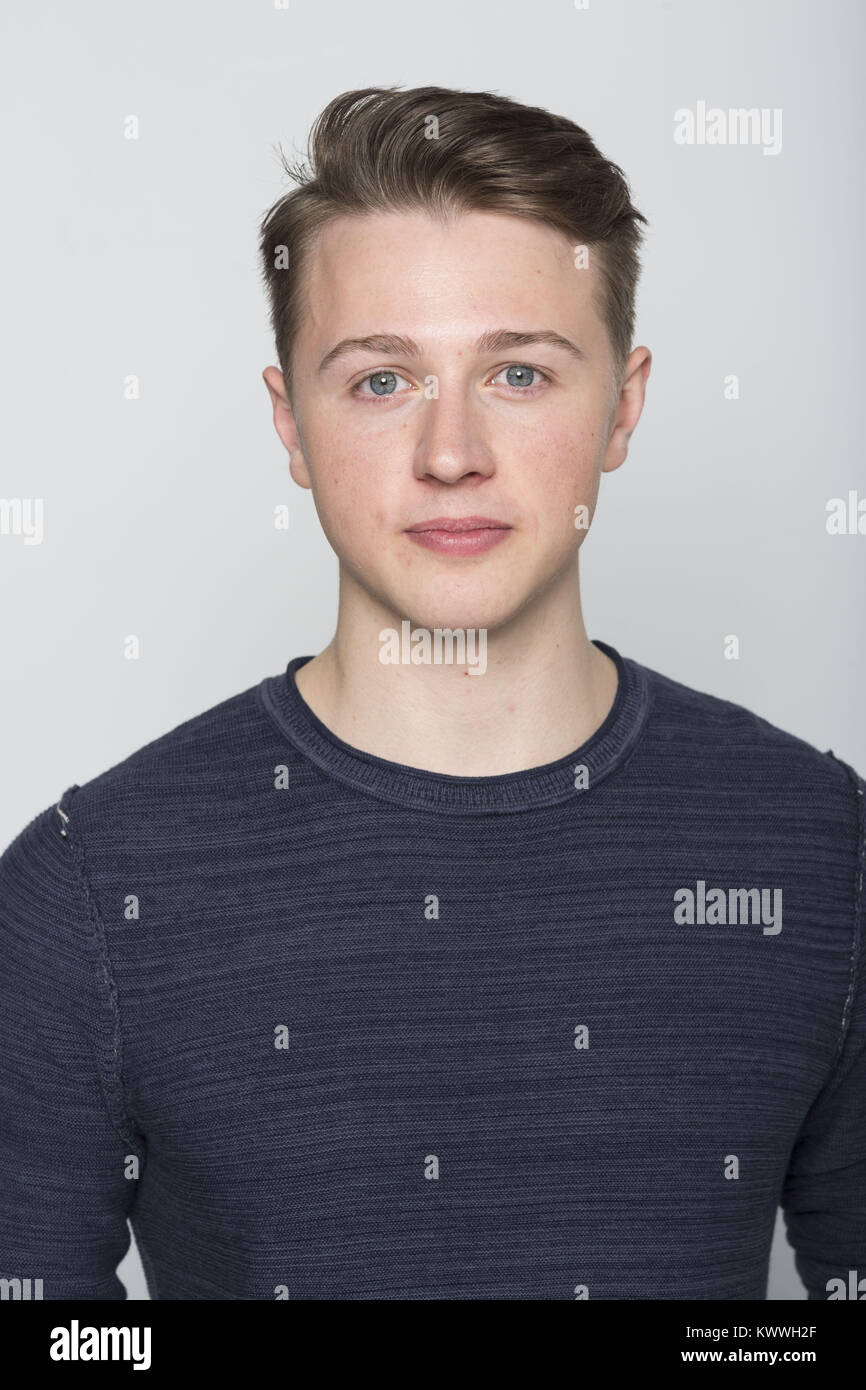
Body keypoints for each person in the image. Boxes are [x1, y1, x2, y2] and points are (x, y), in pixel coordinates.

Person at [1, 85, 862, 1302]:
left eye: (517, 372)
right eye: (377, 381)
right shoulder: (84, 892)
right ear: (289, 424)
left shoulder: (820, 850)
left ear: (622, 402)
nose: (448, 451)